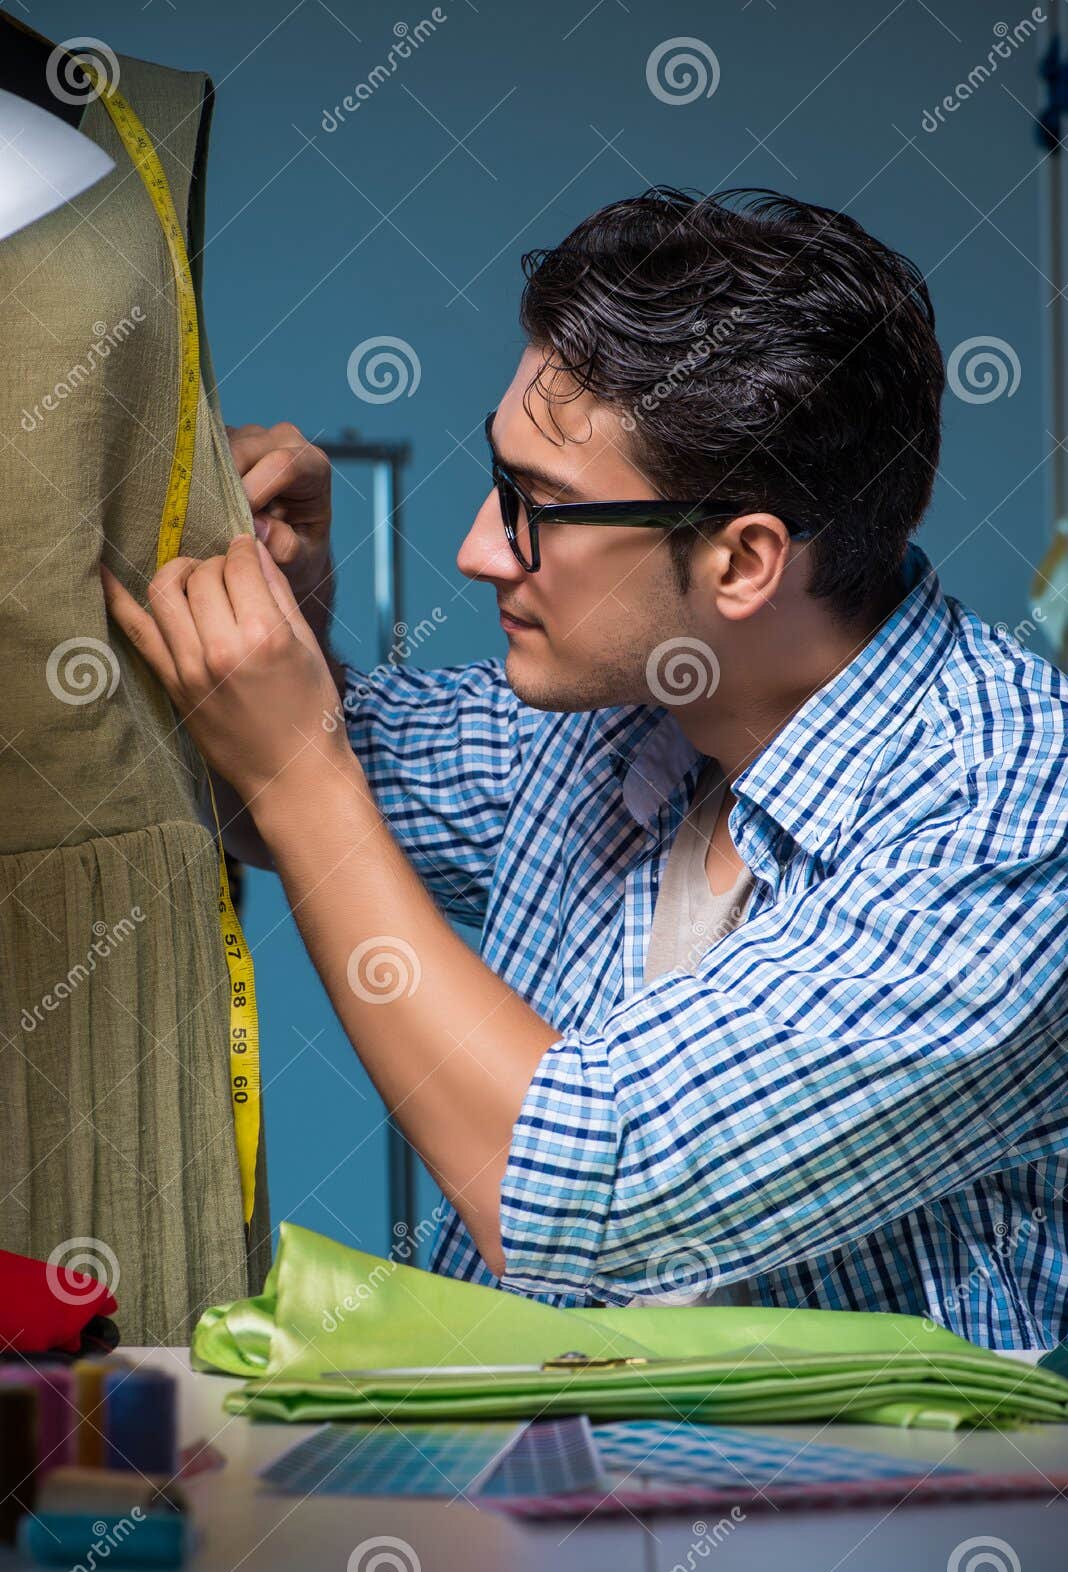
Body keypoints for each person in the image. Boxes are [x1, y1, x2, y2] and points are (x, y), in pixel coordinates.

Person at [102, 187, 1068, 1349]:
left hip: (860, 1526)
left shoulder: (1008, 813)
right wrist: (285, 631)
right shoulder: (643, 704)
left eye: (536, 508)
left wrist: (303, 777)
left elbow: (577, 1194)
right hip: (550, 1497)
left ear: (744, 561)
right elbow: (268, 776)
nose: (472, 549)